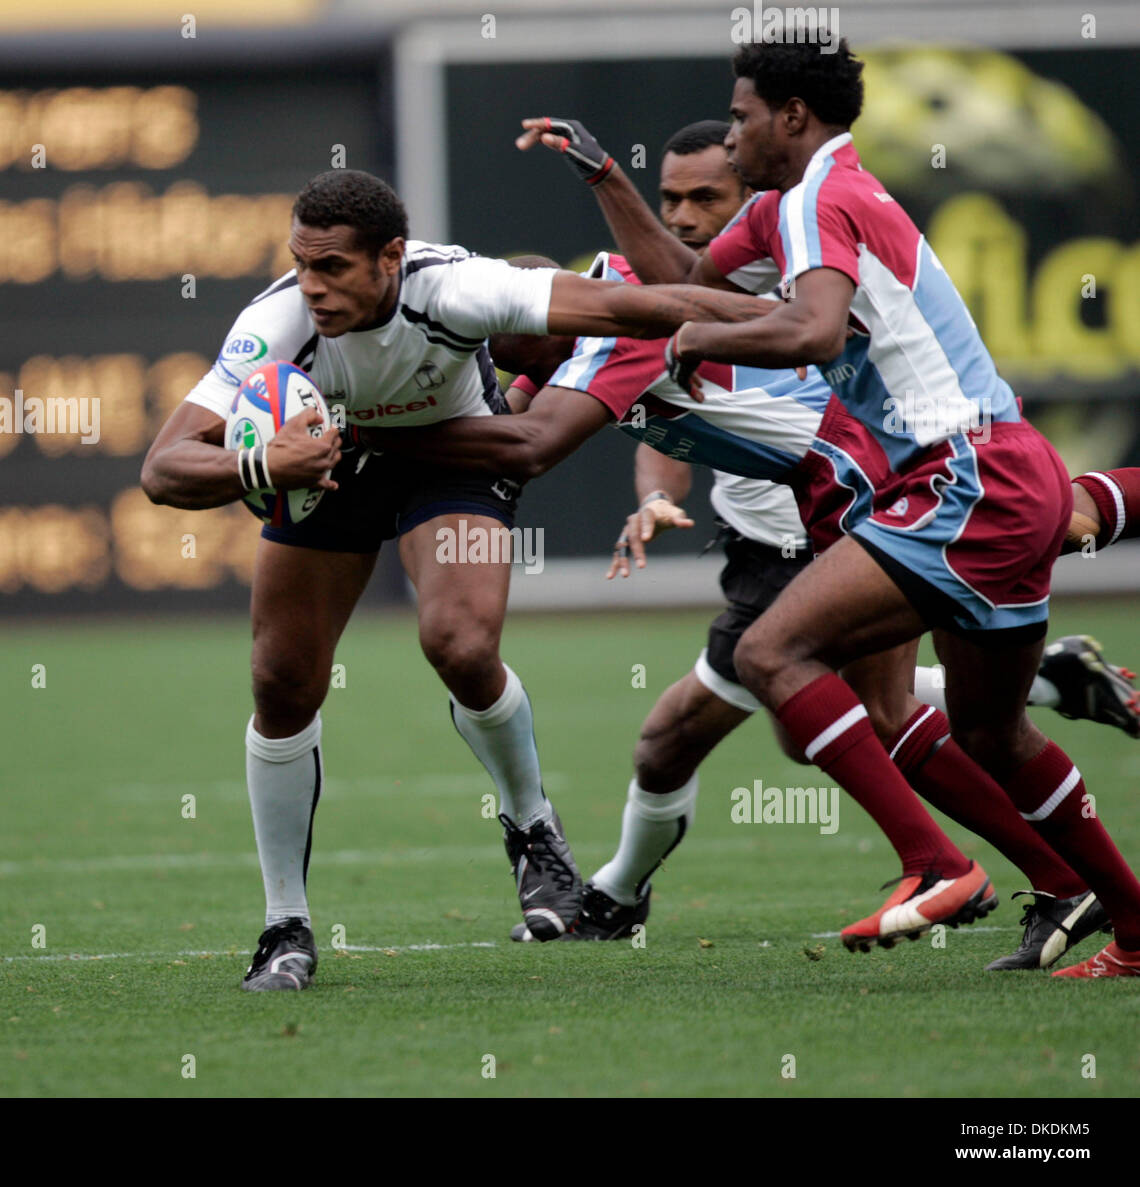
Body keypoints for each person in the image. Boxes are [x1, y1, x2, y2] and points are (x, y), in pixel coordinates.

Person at [523, 36, 1140, 979]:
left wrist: (689, 338)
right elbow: (679, 285)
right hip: (998, 469)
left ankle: (936, 863)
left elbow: (812, 330)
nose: (731, 138)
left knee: (775, 652)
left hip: (960, 477)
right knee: (989, 732)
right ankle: (1128, 926)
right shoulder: (793, 206)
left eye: (739, 117)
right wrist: (609, 179)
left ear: (792, 118)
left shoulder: (816, 197)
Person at [140, 168, 798, 990]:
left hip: (450, 455)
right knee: (280, 683)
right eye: (301, 264)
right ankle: (286, 926)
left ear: (390, 256)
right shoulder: (274, 324)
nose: (312, 286)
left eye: (333, 267)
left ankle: (532, 826)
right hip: (326, 464)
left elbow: (624, 308)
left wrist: (781, 318)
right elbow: (164, 469)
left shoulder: (454, 290)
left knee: (458, 641)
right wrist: (264, 459)